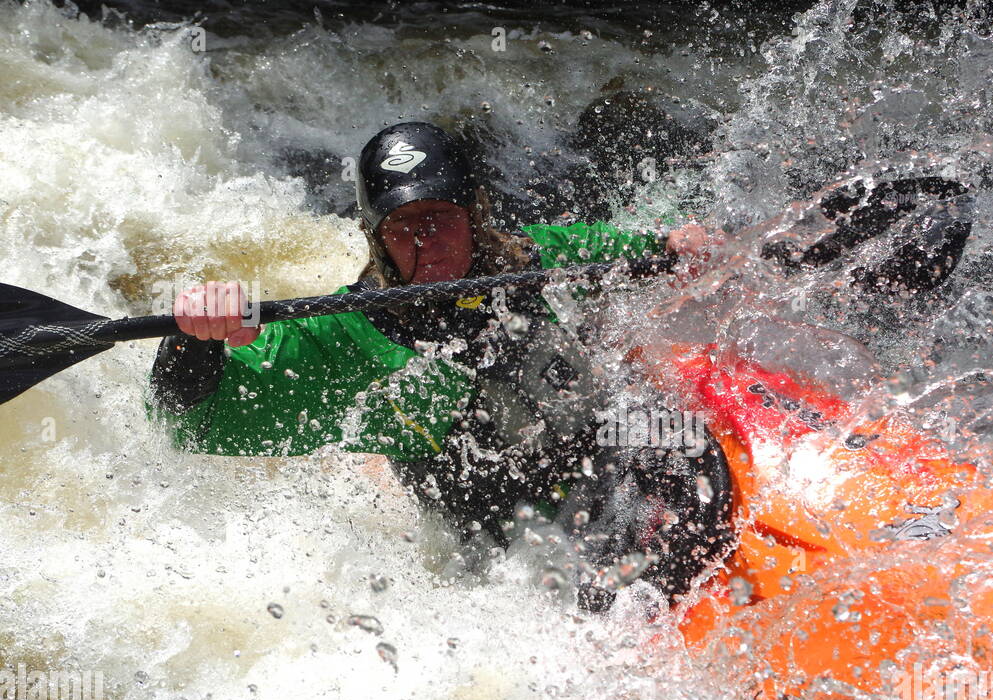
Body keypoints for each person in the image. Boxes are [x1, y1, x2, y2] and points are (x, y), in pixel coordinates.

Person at [149, 121, 731, 609]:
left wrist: (682, 245)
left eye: (441, 220)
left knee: (666, 428)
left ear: (475, 215)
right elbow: (189, 420)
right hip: (515, 547)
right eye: (404, 227)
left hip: (602, 465)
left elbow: (623, 251)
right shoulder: (344, 338)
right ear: (374, 238)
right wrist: (192, 341)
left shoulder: (521, 260)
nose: (427, 244)